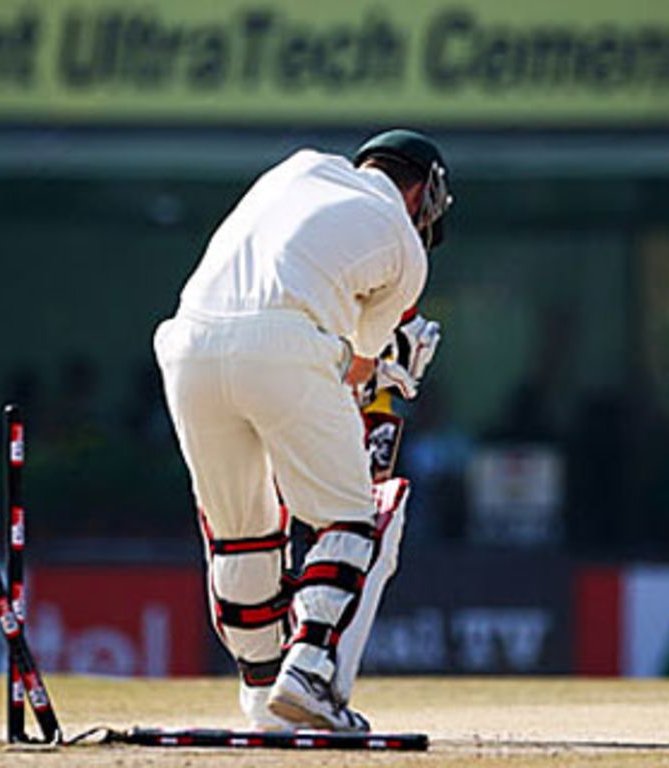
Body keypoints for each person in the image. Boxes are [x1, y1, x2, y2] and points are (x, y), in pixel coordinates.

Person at [154, 129, 452, 731]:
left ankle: (264, 701)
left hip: (186, 344)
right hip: (286, 348)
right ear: (423, 190)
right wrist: (394, 366)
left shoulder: (298, 169)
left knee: (241, 537)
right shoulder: (403, 243)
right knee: (348, 520)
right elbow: (360, 368)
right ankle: (309, 672)